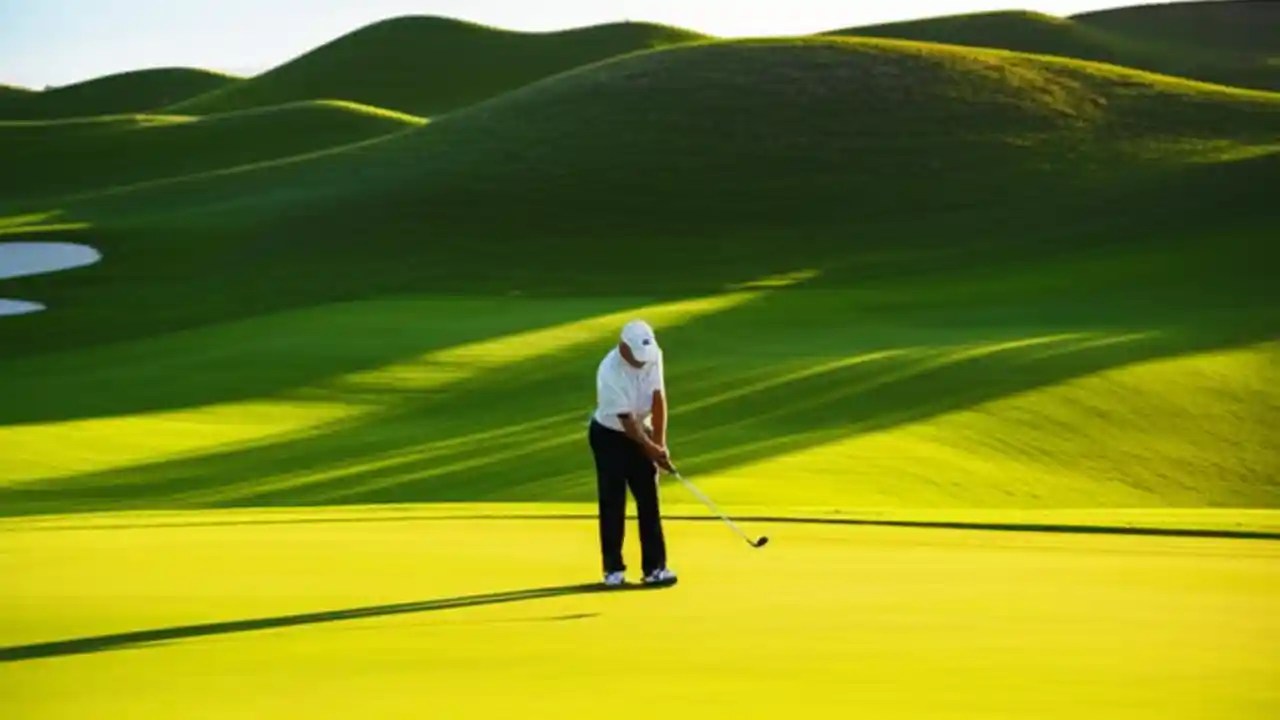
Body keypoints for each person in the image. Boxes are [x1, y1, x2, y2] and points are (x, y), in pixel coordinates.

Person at [588, 319, 678, 587]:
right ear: (623, 347)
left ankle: (655, 568)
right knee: (613, 501)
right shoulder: (609, 371)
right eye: (636, 358)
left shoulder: (652, 354)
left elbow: (658, 401)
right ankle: (613, 570)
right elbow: (627, 422)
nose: (642, 363)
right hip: (609, 436)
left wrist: (659, 445)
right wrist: (650, 448)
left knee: (649, 499)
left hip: (642, 429)